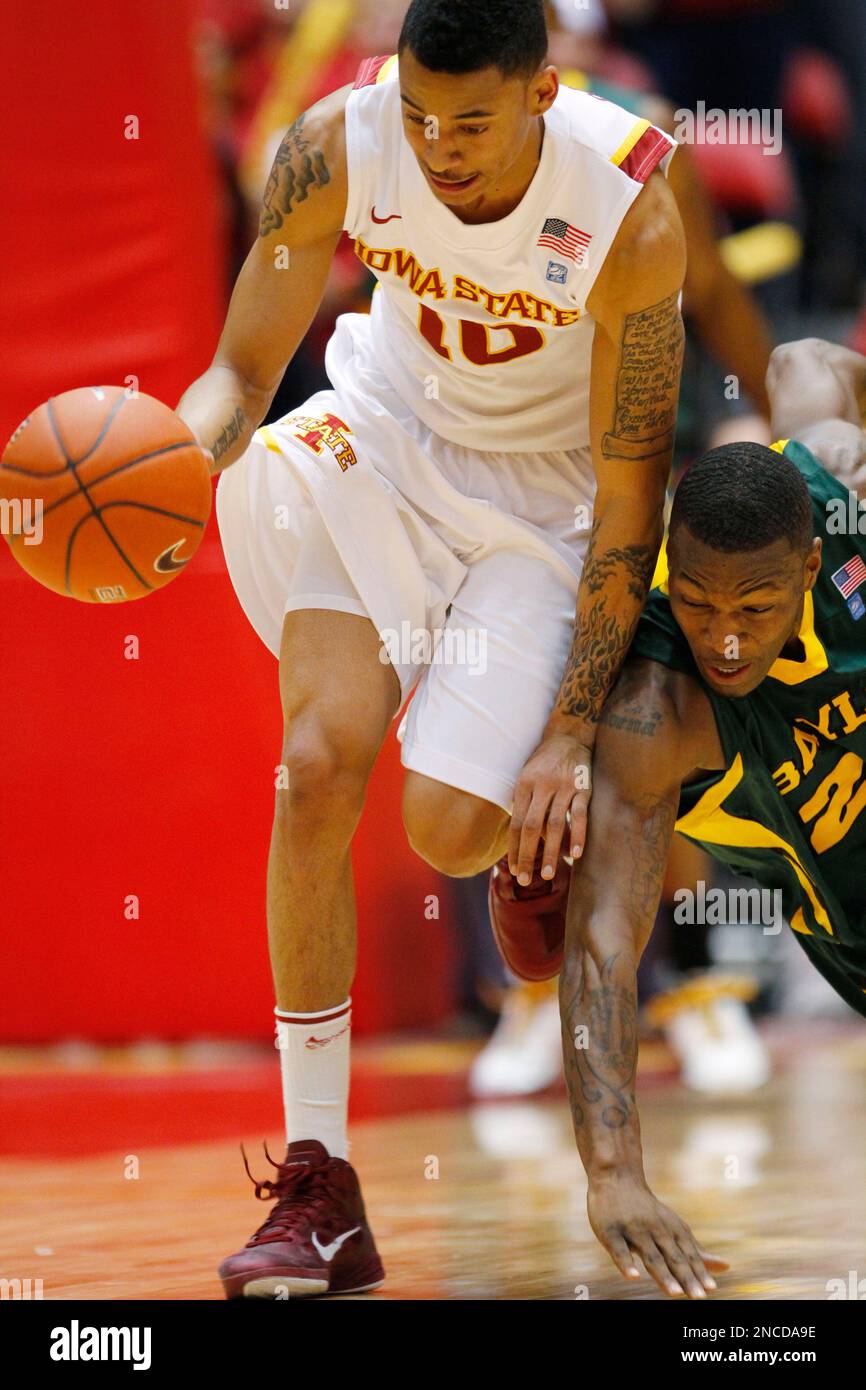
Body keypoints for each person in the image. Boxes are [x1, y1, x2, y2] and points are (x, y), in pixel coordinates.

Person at [176, 0, 686, 1298]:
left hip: (546, 506)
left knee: (449, 834)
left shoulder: (627, 204)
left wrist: (568, 731)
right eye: (418, 116)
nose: (438, 149)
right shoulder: (338, 146)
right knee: (314, 760)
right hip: (380, 443)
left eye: (469, 122)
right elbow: (239, 375)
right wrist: (177, 456)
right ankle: (319, 1182)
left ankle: (531, 851)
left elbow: (629, 498)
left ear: (538, 93)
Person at [515, 335, 866, 1298]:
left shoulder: (837, 498)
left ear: (807, 565)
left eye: (755, 606)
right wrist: (615, 1173)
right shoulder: (660, 708)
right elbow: (602, 944)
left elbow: (805, 359)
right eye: (698, 599)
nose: (723, 636)